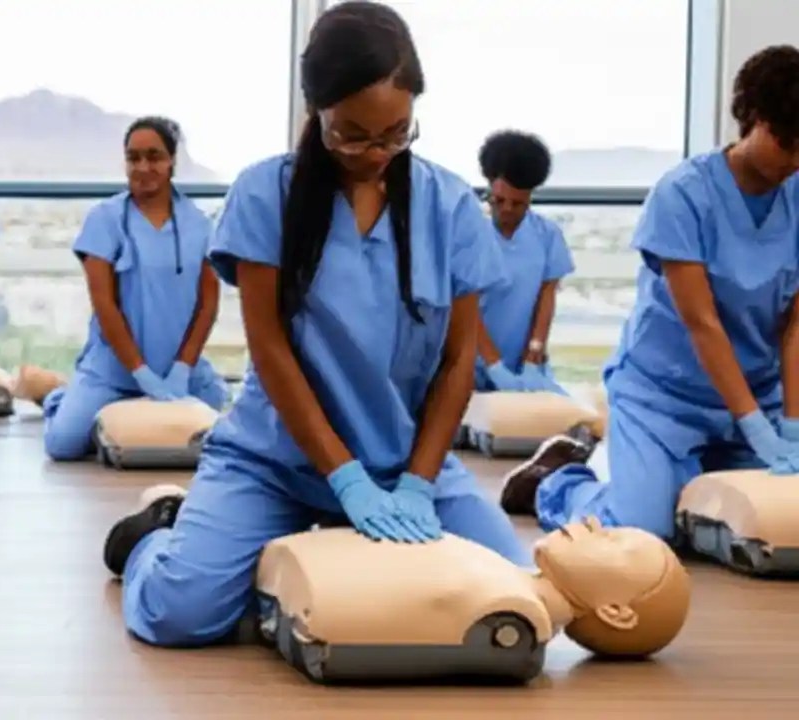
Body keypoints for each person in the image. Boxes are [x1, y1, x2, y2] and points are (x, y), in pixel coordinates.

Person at [100, 2, 528, 648]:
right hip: (275, 462)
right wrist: (346, 478)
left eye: (396, 134)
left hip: (405, 466)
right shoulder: (263, 194)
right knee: (179, 615)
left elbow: (456, 362)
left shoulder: (448, 207)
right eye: (351, 134)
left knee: (512, 591)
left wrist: (417, 483)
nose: (375, 153)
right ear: (315, 110)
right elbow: (271, 352)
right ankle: (152, 539)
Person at [499, 45, 799, 540]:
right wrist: (754, 428)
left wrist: (790, 422)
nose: (794, 159)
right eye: (785, 142)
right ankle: (557, 483)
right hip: (665, 396)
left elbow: (794, 326)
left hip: (757, 394)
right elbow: (702, 323)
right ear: (751, 117)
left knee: (770, 523)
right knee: (641, 529)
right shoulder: (683, 195)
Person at [42, 116, 229, 461]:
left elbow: (208, 304)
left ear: (172, 161)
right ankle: (60, 399)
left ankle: (132, 411)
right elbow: (105, 305)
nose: (143, 167)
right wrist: (140, 373)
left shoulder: (199, 224)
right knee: (63, 445)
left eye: (154, 157)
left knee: (216, 426)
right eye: (133, 158)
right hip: (113, 369)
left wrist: (182, 369)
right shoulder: (105, 219)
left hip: (177, 369)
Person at [474, 130, 574, 395]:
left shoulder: (546, 235)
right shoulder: (470, 234)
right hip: (473, 365)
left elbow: (546, 297)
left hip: (524, 363)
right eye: (499, 201)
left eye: (517, 203)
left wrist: (533, 355)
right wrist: (494, 366)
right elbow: (464, 306)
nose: (507, 209)